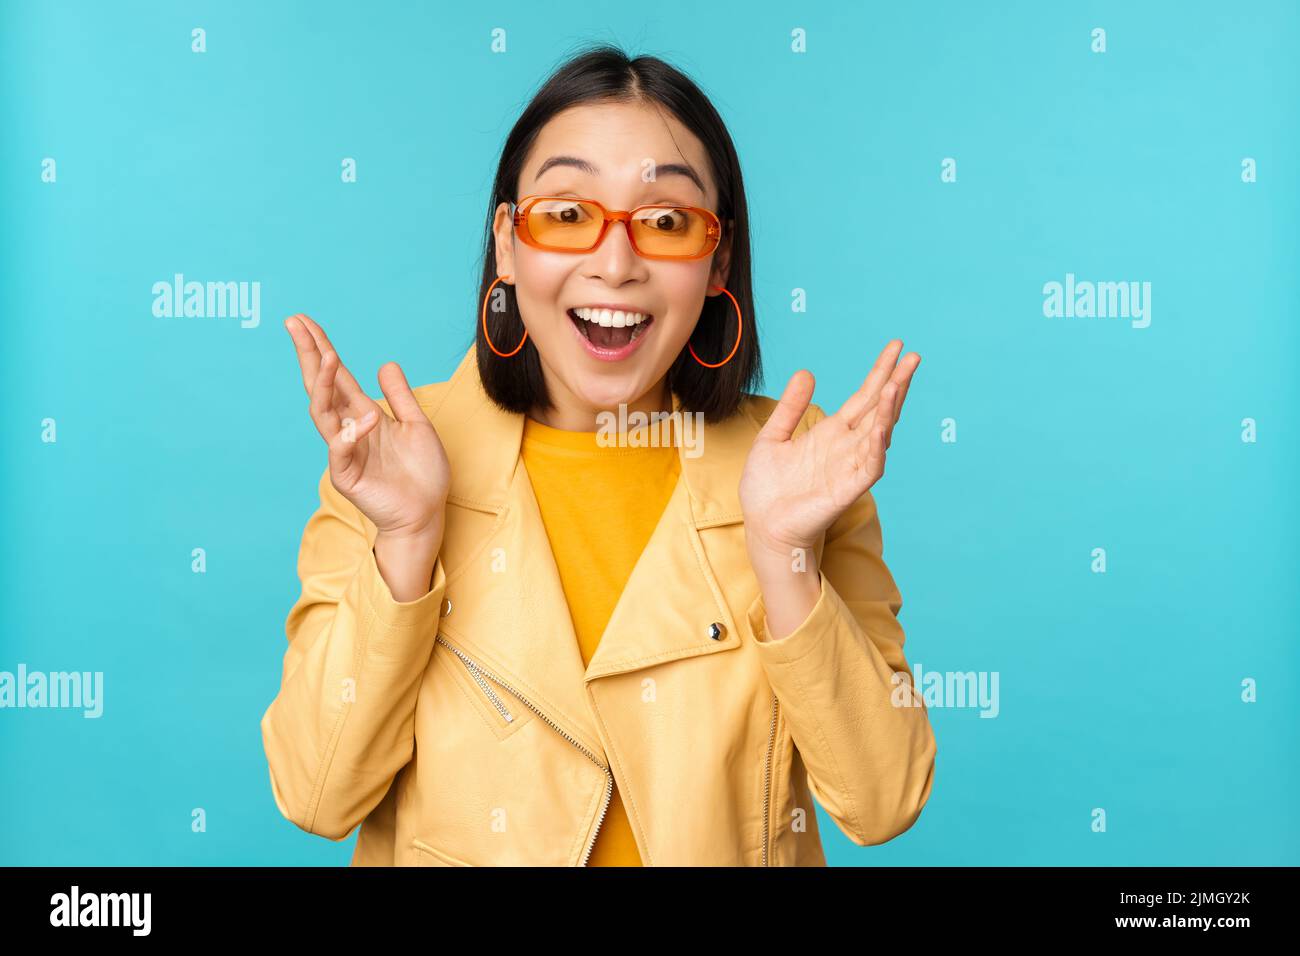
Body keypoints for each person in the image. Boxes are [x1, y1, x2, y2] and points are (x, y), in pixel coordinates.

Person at [260, 44, 936, 866]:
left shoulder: (799, 468)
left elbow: (883, 801)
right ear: (508, 244)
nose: (616, 265)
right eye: (567, 214)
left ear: (718, 261)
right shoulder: (395, 458)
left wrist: (785, 556)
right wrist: (404, 545)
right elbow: (315, 794)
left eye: (666, 223)